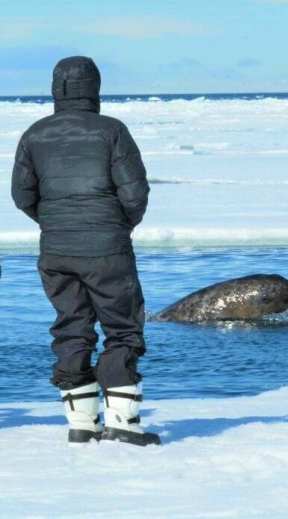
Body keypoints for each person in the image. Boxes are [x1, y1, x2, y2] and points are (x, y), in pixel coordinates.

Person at [11, 56, 160, 445]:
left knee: (71, 327)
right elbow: (135, 193)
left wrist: (55, 223)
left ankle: (81, 424)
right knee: (123, 328)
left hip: (56, 250)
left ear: (55, 88)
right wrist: (120, 224)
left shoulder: (34, 134)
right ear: (94, 87)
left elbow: (21, 195)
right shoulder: (112, 131)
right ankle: (123, 425)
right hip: (107, 246)